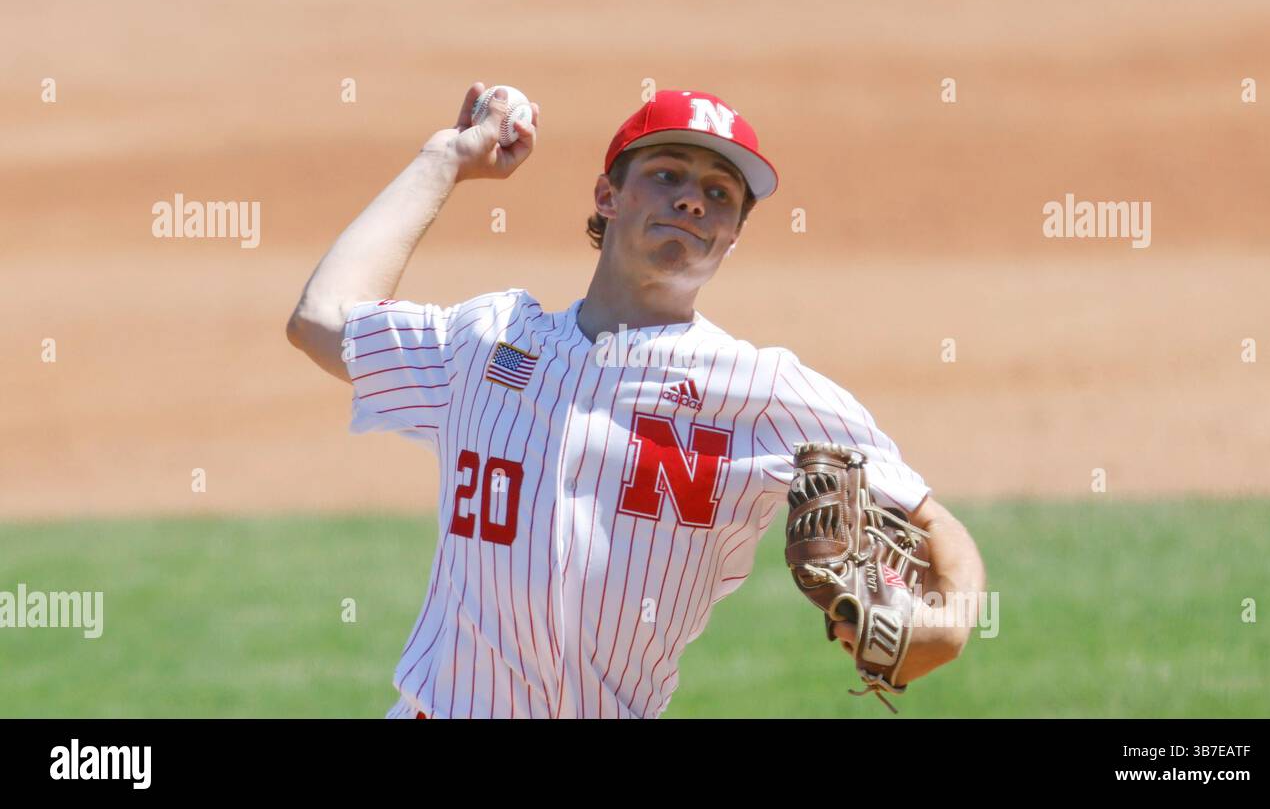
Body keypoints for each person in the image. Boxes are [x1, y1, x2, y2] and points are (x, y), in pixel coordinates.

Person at [286, 82, 986, 718]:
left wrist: (948, 626)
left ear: (733, 235)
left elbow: (932, 520)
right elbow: (322, 315)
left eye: (720, 193)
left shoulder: (767, 392)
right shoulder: (487, 342)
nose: (692, 199)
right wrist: (445, 159)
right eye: (666, 175)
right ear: (606, 196)